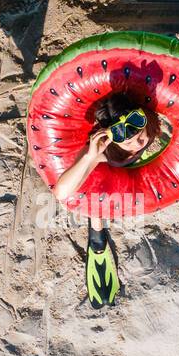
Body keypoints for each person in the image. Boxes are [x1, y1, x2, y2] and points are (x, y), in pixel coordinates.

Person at [52, 95, 159, 308]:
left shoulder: (147, 119)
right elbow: (61, 192)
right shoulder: (110, 150)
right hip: (107, 171)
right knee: (97, 183)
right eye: (129, 142)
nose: (139, 143)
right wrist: (91, 156)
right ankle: (97, 230)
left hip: (139, 162)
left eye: (140, 136)